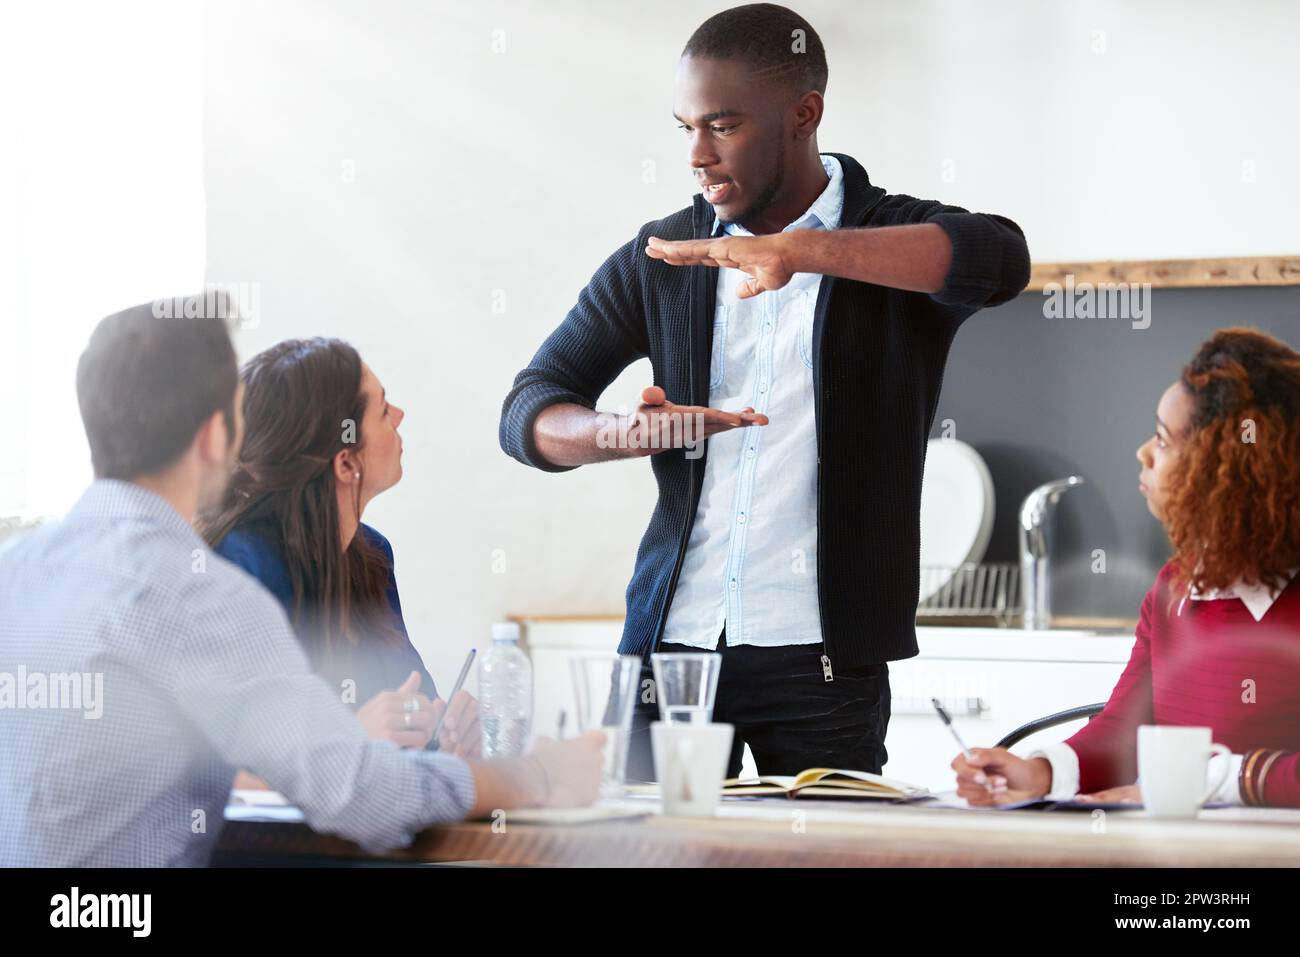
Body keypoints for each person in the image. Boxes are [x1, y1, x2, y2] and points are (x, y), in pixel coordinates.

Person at [499, 3, 1030, 778]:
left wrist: (803, 253)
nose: (697, 154)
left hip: (823, 661)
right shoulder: (665, 258)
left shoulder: (888, 240)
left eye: (723, 125)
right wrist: (623, 433)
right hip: (669, 650)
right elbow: (527, 413)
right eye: (685, 128)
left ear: (803, 115)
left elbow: (1001, 258)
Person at [0, 299, 602, 866]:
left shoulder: (16, 571)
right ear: (215, 437)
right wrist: (539, 777)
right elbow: (357, 791)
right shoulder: (198, 593)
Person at [953, 328, 1300, 807]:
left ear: (1226, 467)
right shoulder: (1173, 589)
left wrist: (1214, 780)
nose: (1143, 452)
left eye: (1162, 439)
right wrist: (1040, 772)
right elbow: (1125, 731)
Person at [202, 338, 478, 758]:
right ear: (346, 463)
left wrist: (446, 736)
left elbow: (413, 714)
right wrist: (350, 739)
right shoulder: (243, 563)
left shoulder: (371, 555)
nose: (401, 416)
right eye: (384, 411)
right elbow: (220, 761)